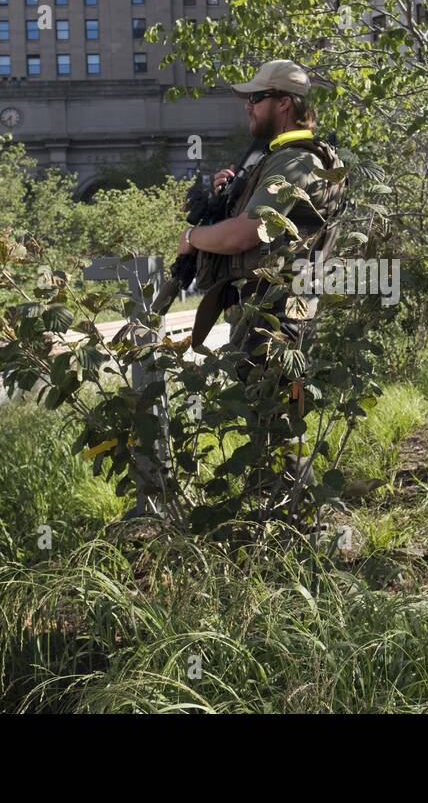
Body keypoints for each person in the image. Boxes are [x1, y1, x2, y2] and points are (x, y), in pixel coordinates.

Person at [182, 59, 349, 521]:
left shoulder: (297, 160)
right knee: (266, 426)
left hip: (277, 316)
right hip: (262, 311)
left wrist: (192, 239)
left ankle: (303, 535)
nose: (248, 108)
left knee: (275, 427)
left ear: (283, 103)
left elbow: (246, 234)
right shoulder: (274, 158)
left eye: (256, 99)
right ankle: (278, 528)